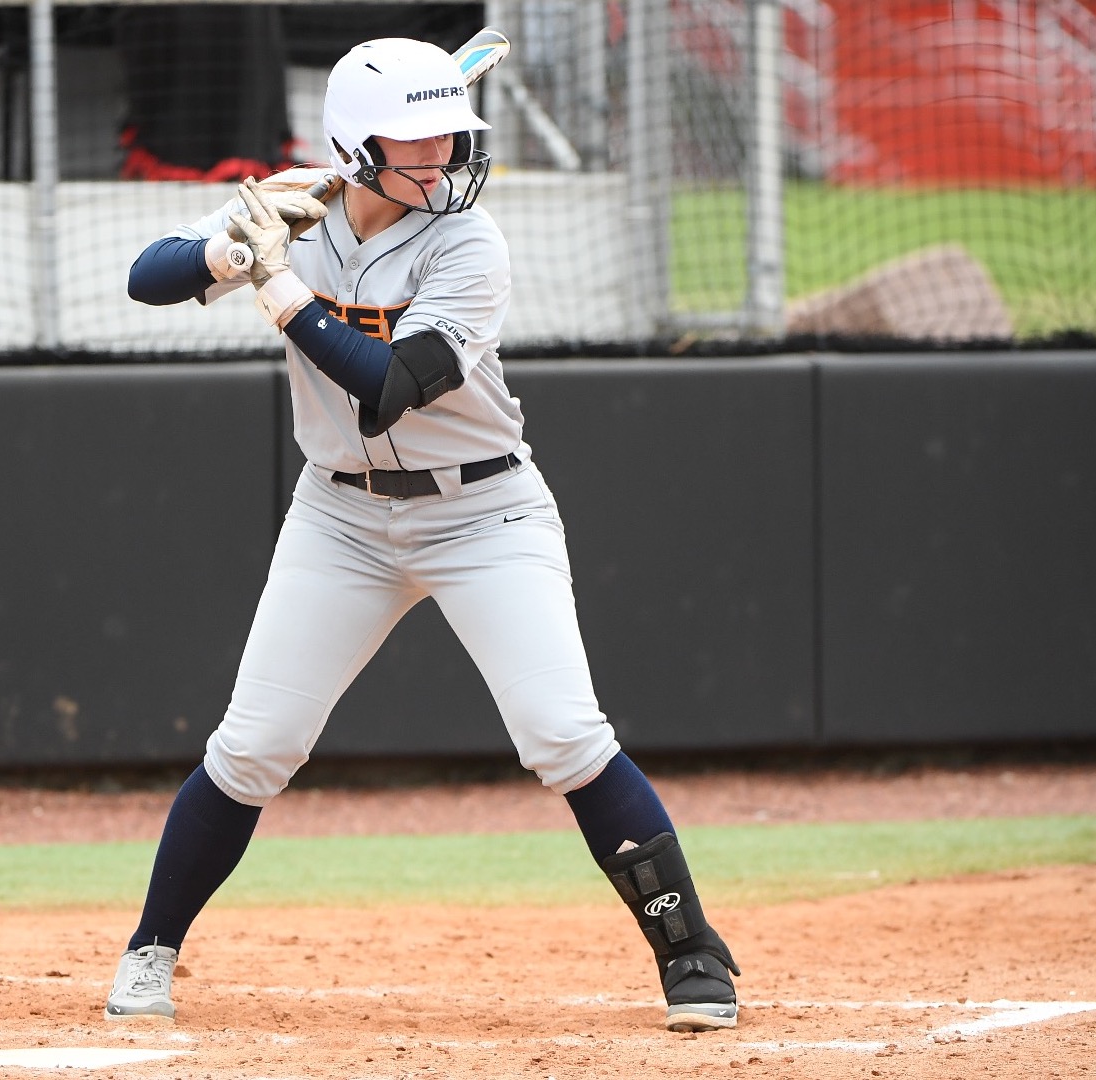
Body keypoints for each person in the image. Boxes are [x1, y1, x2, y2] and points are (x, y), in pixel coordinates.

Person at [109, 37, 741, 1033]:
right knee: (255, 744)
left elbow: (389, 390)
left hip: (482, 513)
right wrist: (231, 249)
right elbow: (144, 278)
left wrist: (278, 292)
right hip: (340, 517)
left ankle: (692, 953)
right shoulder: (298, 201)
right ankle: (151, 949)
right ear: (358, 145)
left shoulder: (468, 242)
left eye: (450, 135)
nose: (442, 155)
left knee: (563, 734)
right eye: (416, 139)